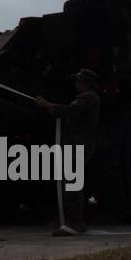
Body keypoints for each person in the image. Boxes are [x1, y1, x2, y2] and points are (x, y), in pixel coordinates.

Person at [35, 68, 101, 236]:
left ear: (87, 84)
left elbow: (67, 112)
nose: (76, 83)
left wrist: (47, 105)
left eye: (79, 81)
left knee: (72, 185)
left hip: (80, 145)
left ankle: (74, 223)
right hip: (77, 145)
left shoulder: (89, 98)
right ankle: (74, 221)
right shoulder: (84, 99)